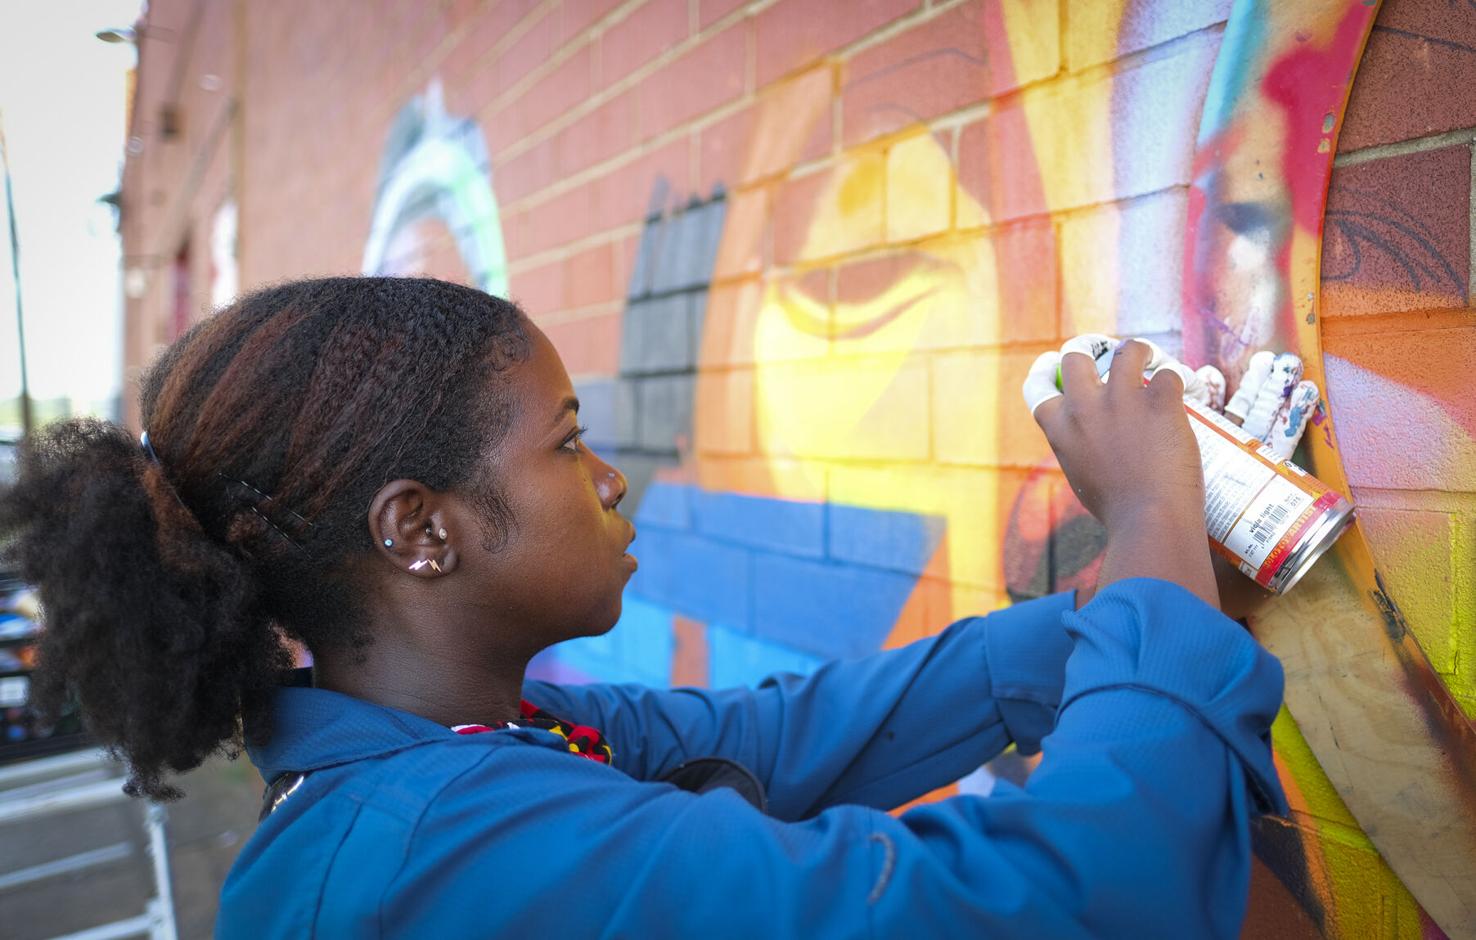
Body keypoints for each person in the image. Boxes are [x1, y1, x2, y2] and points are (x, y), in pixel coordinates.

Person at [0, 277, 1287, 938]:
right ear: (419, 529)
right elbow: (1084, 902)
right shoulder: (452, 854)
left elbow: (797, 733)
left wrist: (1123, 602)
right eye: (564, 443)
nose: (610, 475)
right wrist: (1158, 519)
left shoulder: (456, 749)